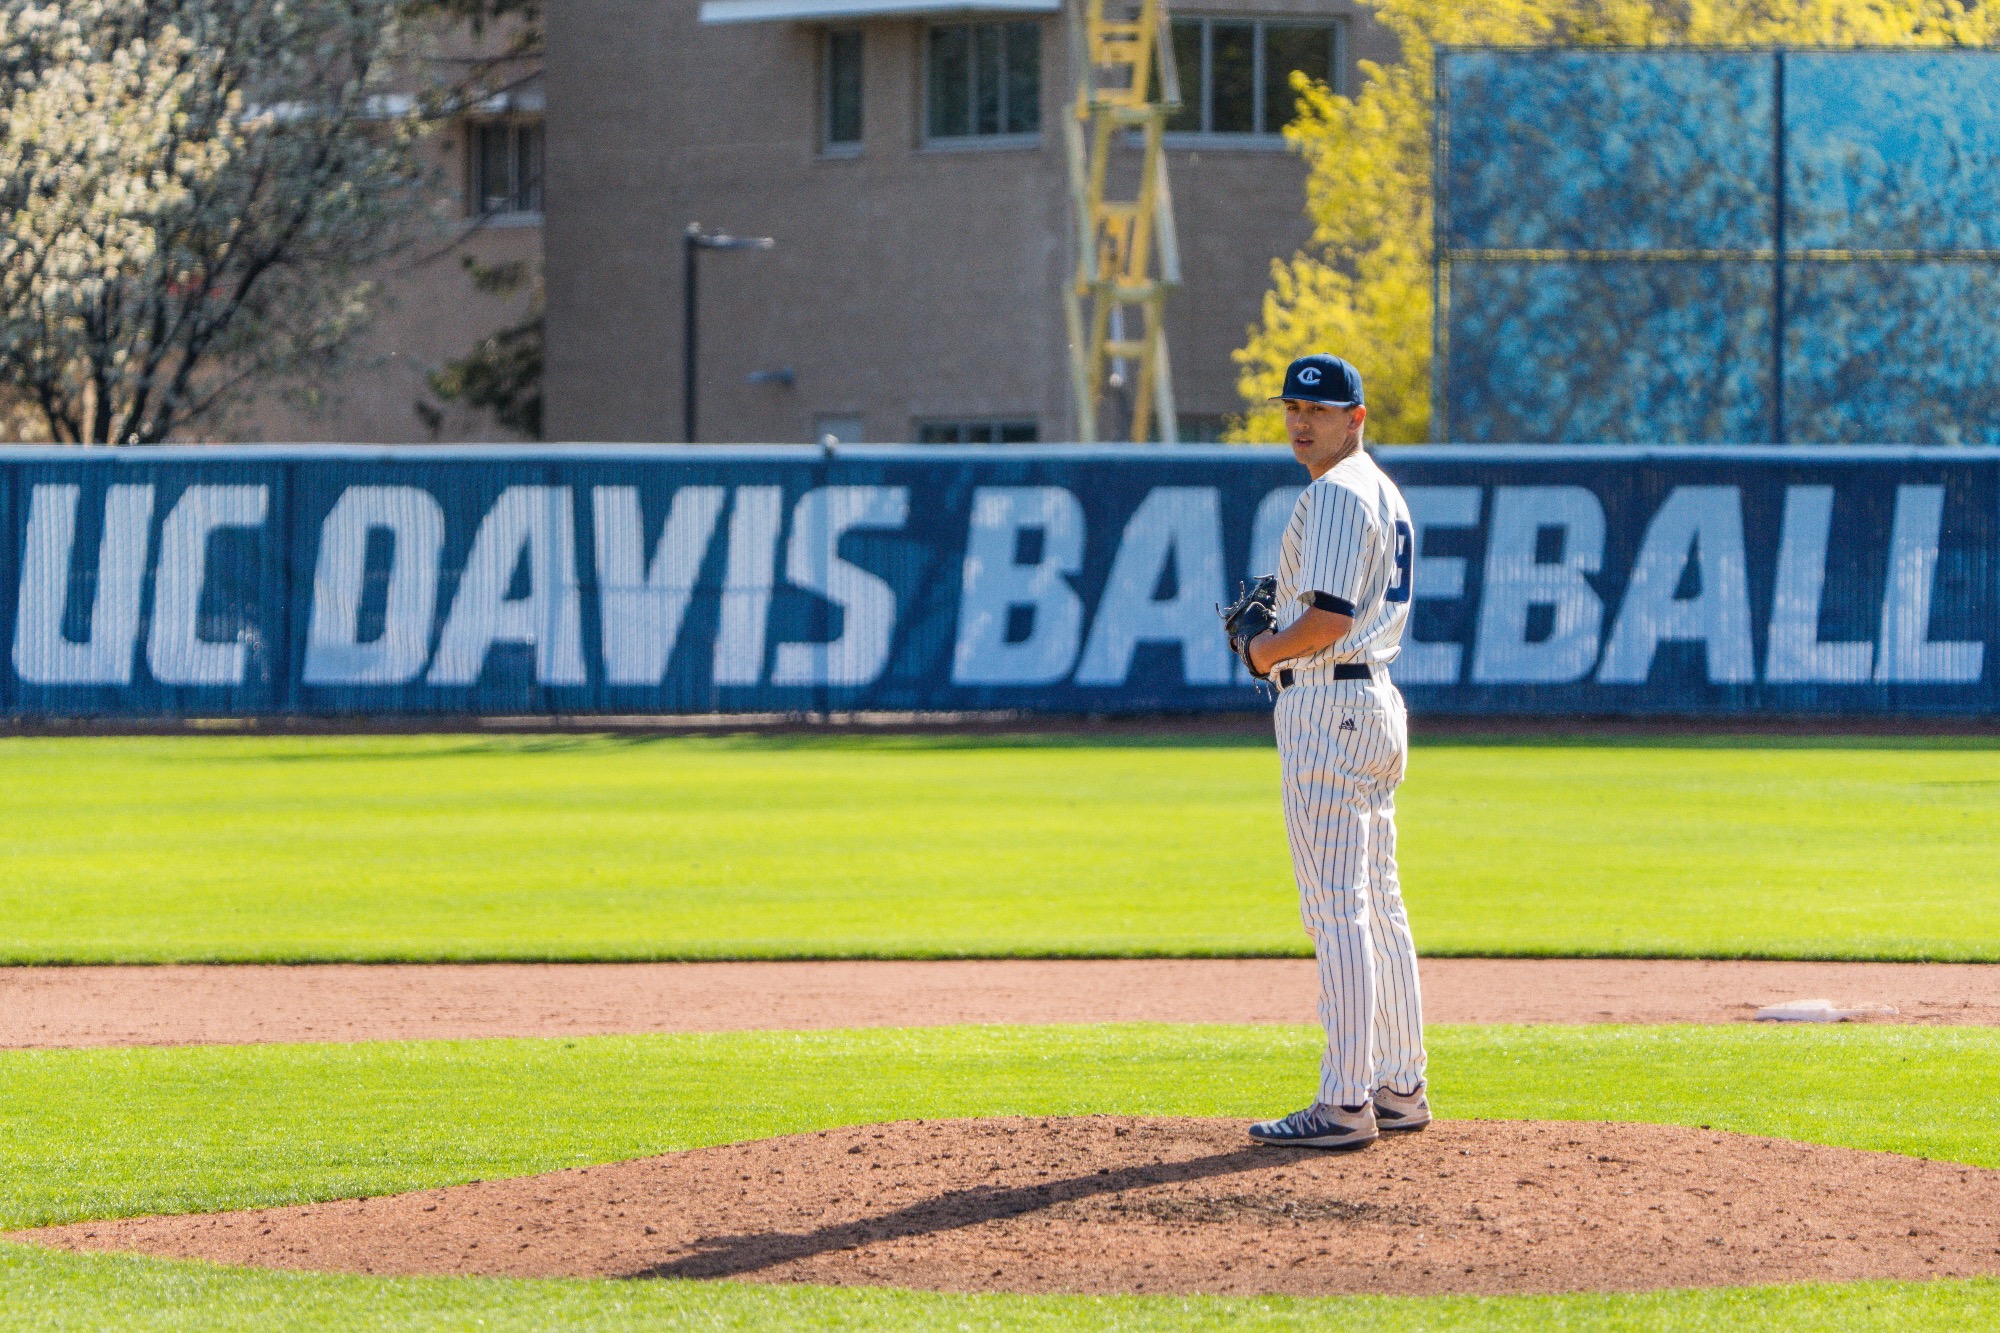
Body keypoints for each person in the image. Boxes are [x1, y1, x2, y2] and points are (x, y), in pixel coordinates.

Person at [1239, 353, 1428, 1150]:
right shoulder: (1381, 489)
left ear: (1355, 417)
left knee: (1336, 907)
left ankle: (1345, 1099)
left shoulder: (1336, 492)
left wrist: (1261, 650)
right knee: (1378, 902)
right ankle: (1400, 1084)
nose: (1300, 421)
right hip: (1373, 701)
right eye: (1293, 408)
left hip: (1330, 704)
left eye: (1318, 410)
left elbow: (1327, 620)